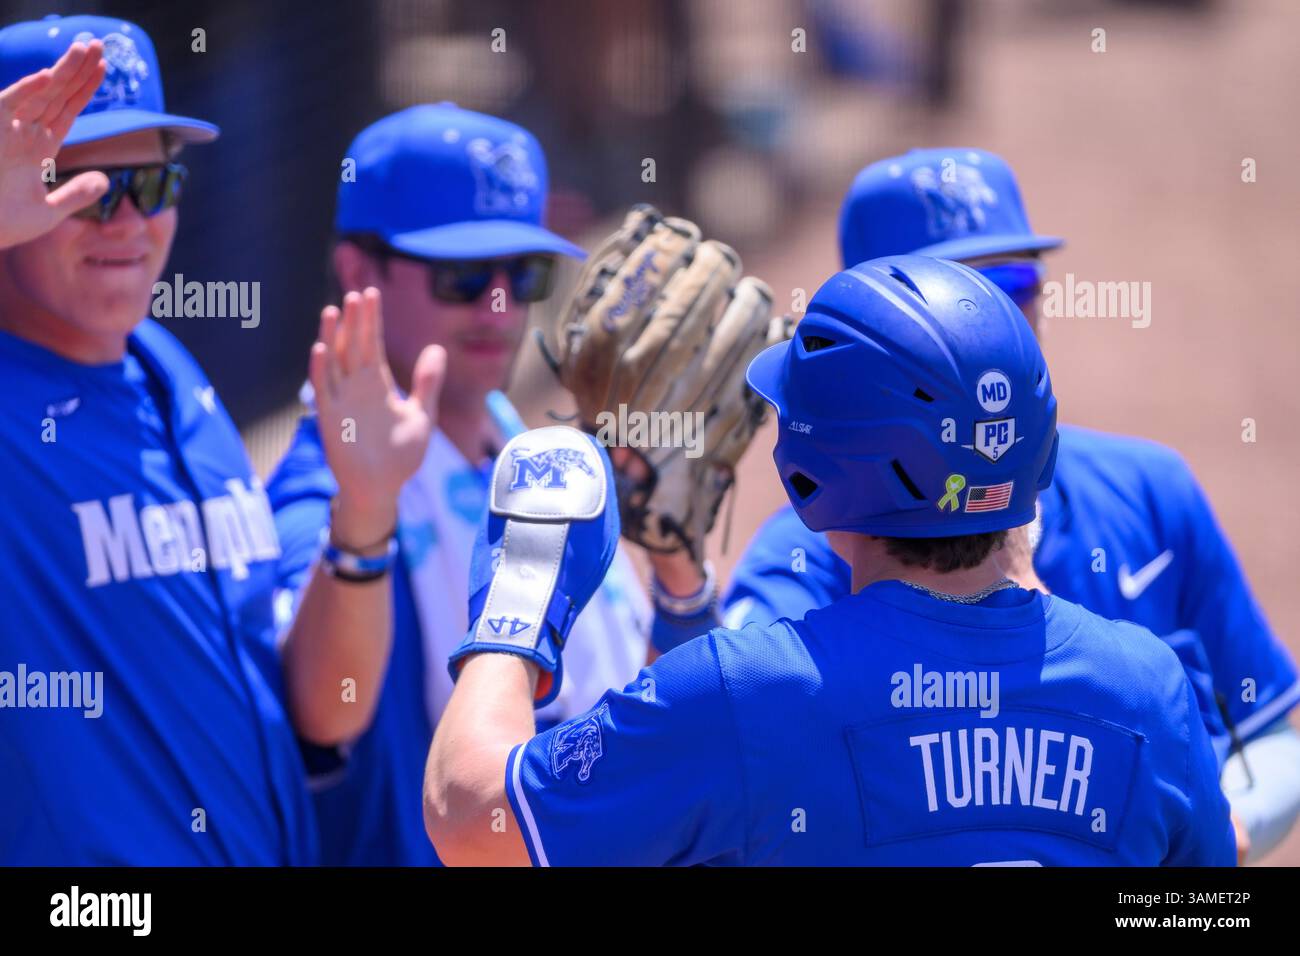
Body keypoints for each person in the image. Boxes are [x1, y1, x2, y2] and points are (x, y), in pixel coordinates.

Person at [423, 255, 1236, 866]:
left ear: (812, 476)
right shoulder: (1148, 689)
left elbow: (470, 815)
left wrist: (518, 598)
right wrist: (680, 587)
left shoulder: (748, 693)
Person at [667, 148, 1300, 863]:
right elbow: (727, 734)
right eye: (953, 292)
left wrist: (1225, 823)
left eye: (1016, 280)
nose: (995, 318)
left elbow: (1273, 730)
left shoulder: (1151, 491)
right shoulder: (809, 547)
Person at [0, 14, 432, 864]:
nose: (126, 222)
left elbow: (323, 714)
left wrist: (364, 516)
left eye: (151, 185)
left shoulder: (173, 373)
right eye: (81, 190)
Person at [267, 104, 650, 866]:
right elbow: (322, 711)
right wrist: (365, 512)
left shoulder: (546, 461)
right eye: (463, 275)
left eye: (524, 271)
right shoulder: (326, 488)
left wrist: (679, 574)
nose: (499, 305)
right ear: (356, 272)